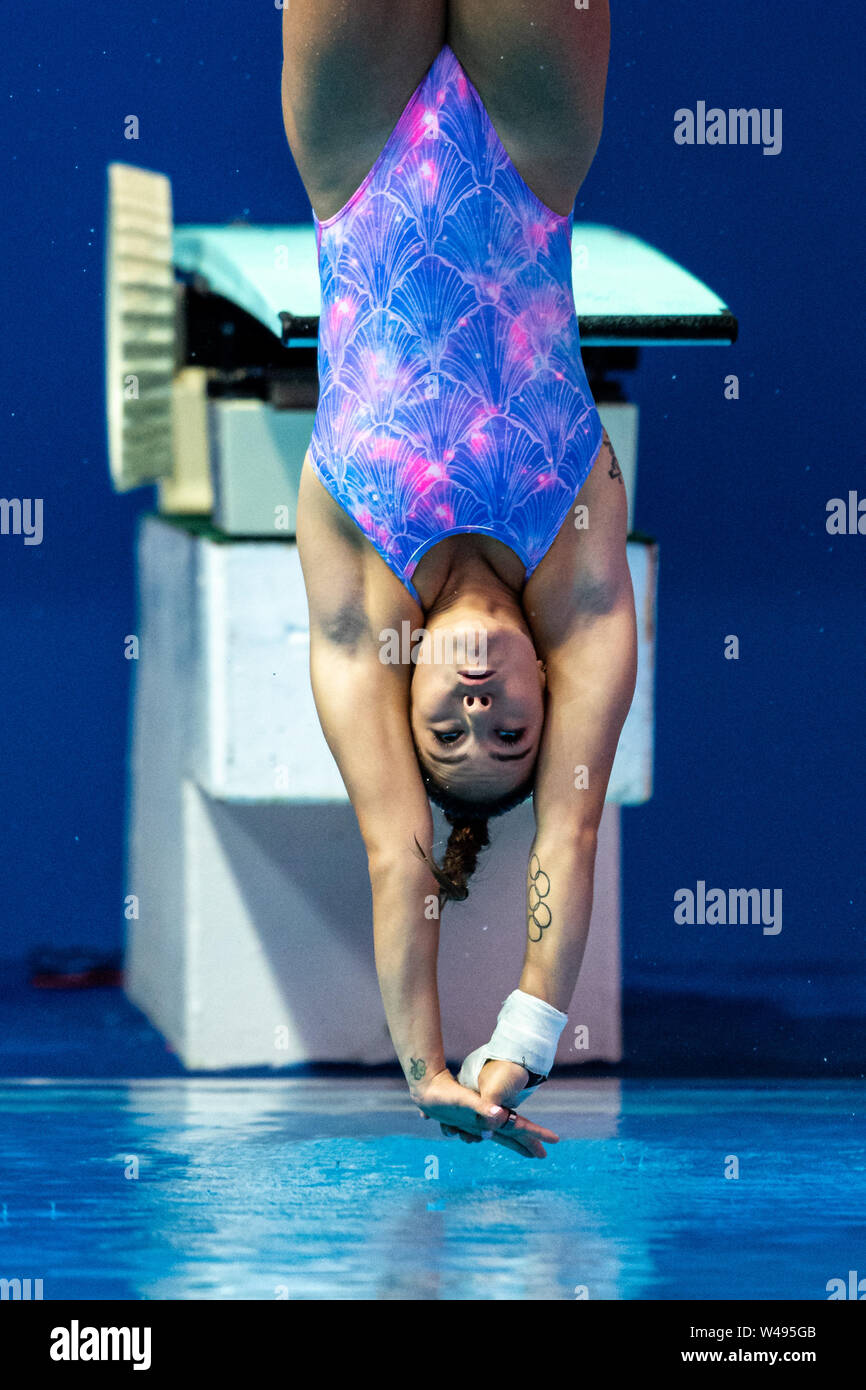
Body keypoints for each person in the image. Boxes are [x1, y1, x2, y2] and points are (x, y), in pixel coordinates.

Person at [281, 0, 635, 1159]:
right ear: (548, 686)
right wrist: (523, 1040)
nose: (476, 704)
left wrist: (426, 1063)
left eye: (448, 733)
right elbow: (565, 840)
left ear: (407, 698)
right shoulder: (576, 567)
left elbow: (397, 853)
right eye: (510, 729)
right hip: (531, 154)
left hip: (354, 155)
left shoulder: (358, 577)